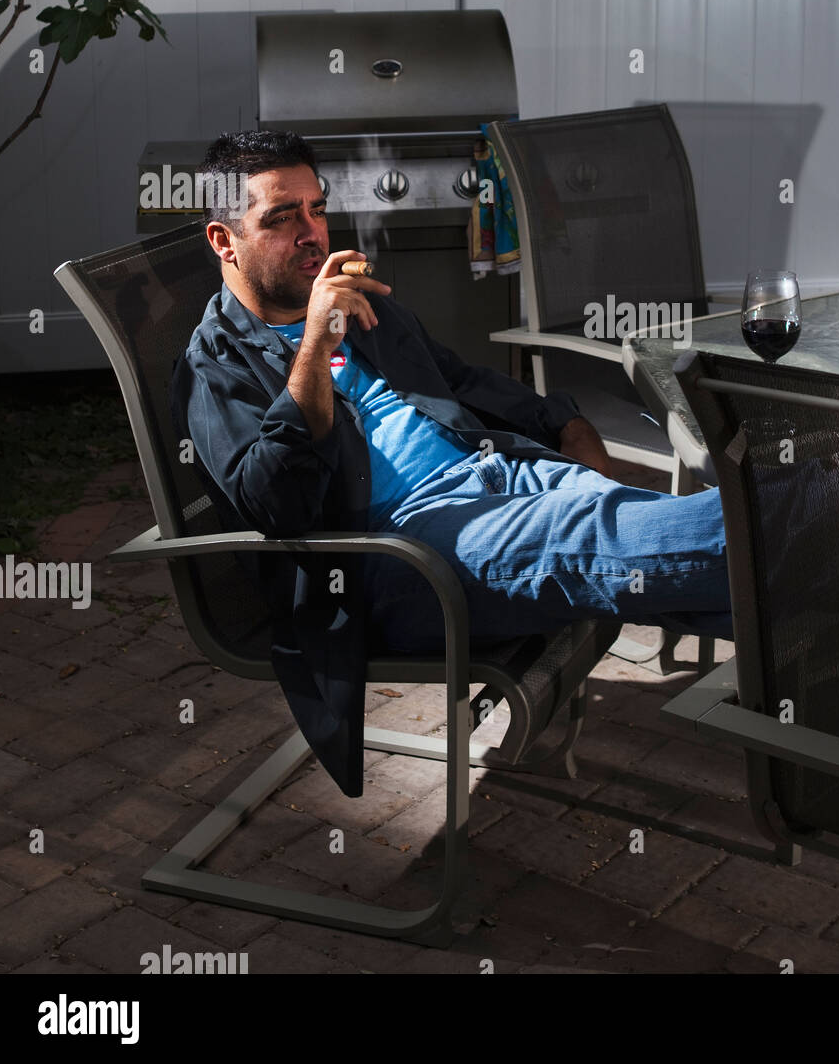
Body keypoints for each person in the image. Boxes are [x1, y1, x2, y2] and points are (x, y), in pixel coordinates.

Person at [171, 130, 731, 796]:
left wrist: (565, 423)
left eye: (317, 209)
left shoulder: (363, 303)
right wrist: (314, 345)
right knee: (608, 534)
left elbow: (458, 382)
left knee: (671, 543)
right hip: (404, 549)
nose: (312, 234)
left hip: (500, 475)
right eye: (281, 218)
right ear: (222, 240)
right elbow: (277, 504)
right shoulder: (214, 367)